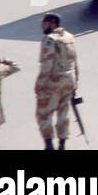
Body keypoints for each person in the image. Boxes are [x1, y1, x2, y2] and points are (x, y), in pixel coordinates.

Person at [35, 13, 77, 150]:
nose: (42, 25)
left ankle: (48, 144)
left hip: (54, 81)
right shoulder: (69, 37)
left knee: (44, 113)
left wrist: (39, 85)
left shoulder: (49, 39)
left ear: (52, 23)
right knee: (63, 113)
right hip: (69, 80)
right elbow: (75, 62)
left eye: (45, 22)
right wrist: (75, 83)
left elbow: (47, 64)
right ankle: (62, 144)